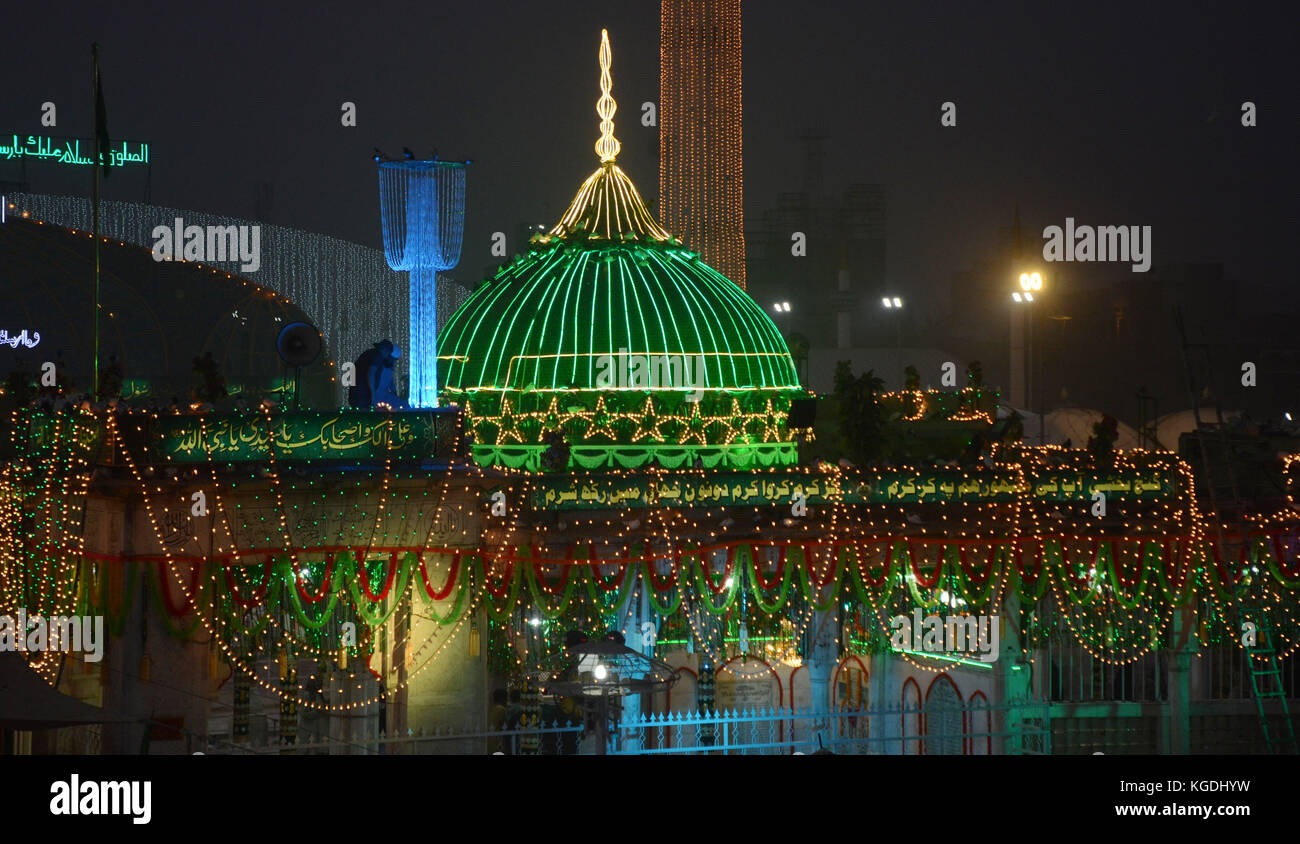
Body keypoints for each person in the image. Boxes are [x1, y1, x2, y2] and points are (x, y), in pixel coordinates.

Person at [487, 688, 508, 754]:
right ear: (502, 698)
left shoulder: (491, 709)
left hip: (490, 741)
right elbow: (506, 726)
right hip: (498, 743)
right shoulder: (501, 710)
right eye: (506, 698)